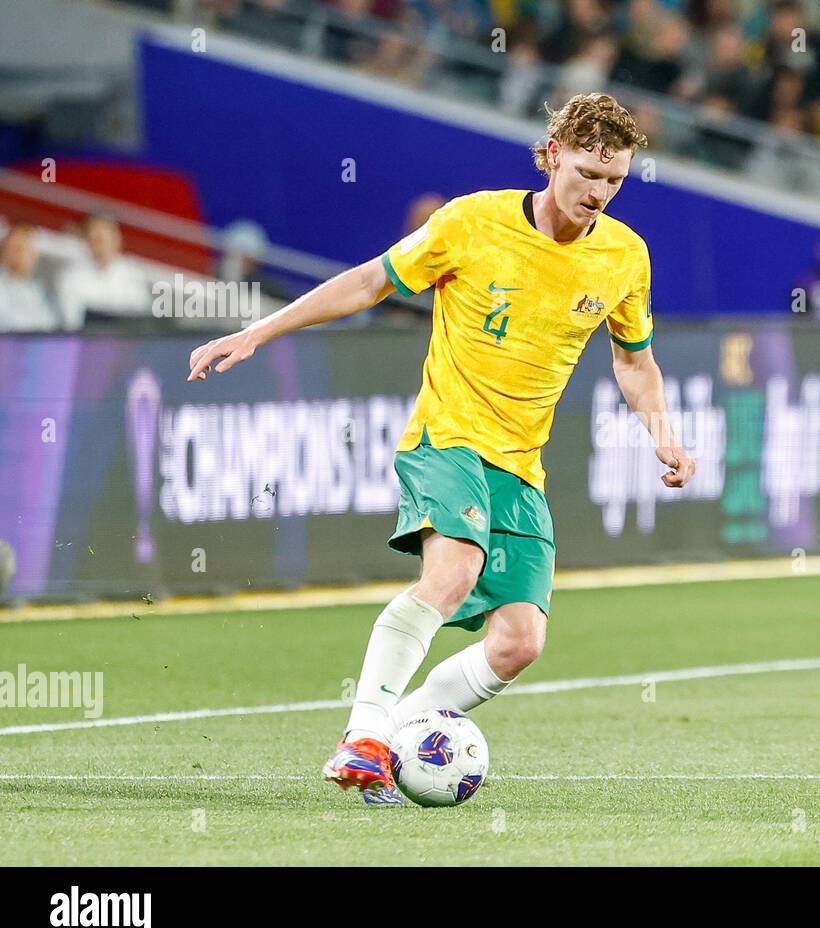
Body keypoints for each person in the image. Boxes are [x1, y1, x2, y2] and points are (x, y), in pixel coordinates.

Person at [186, 93, 696, 802]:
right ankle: (363, 736)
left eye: (614, 180)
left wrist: (664, 435)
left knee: (520, 641)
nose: (599, 193)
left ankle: (399, 729)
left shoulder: (623, 256)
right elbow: (371, 280)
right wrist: (257, 331)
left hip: (521, 465)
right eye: (586, 173)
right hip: (447, 438)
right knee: (454, 570)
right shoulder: (471, 221)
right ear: (551, 157)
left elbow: (635, 361)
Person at [0, 223, 61, 332]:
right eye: (18, 248)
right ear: (5, 251)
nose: (25, 254)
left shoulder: (36, 288)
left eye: (28, 248)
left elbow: (50, 326)